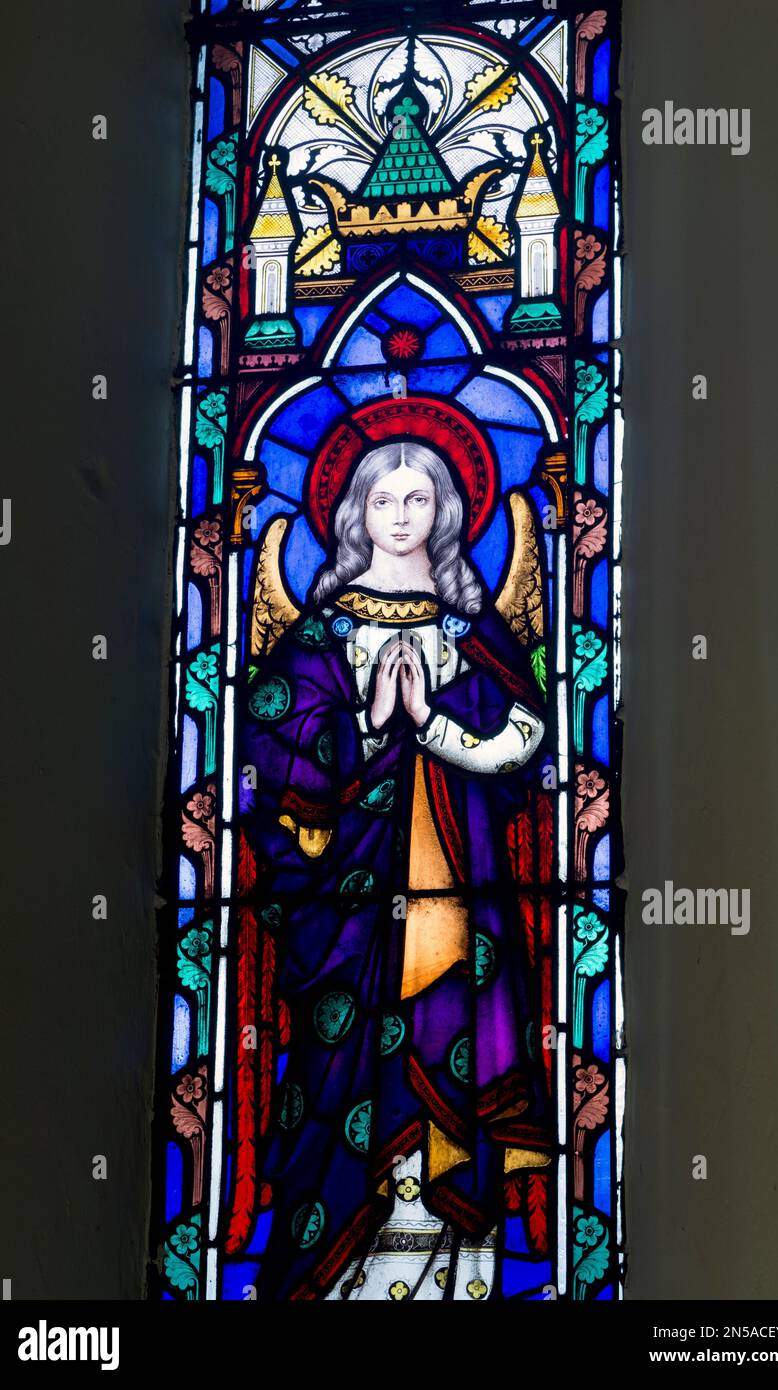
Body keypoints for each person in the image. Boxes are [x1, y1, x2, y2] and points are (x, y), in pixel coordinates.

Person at [242, 441, 554, 1300]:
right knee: (341, 1073)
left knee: (451, 1047)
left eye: (421, 498)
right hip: (346, 918)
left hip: (459, 895)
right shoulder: (321, 632)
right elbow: (272, 748)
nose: (404, 514)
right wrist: (373, 727)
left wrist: (434, 723)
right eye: (385, 500)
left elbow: (527, 736)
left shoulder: (472, 628)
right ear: (356, 516)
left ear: (449, 513)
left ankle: (451, 1275)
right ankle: (343, 1274)